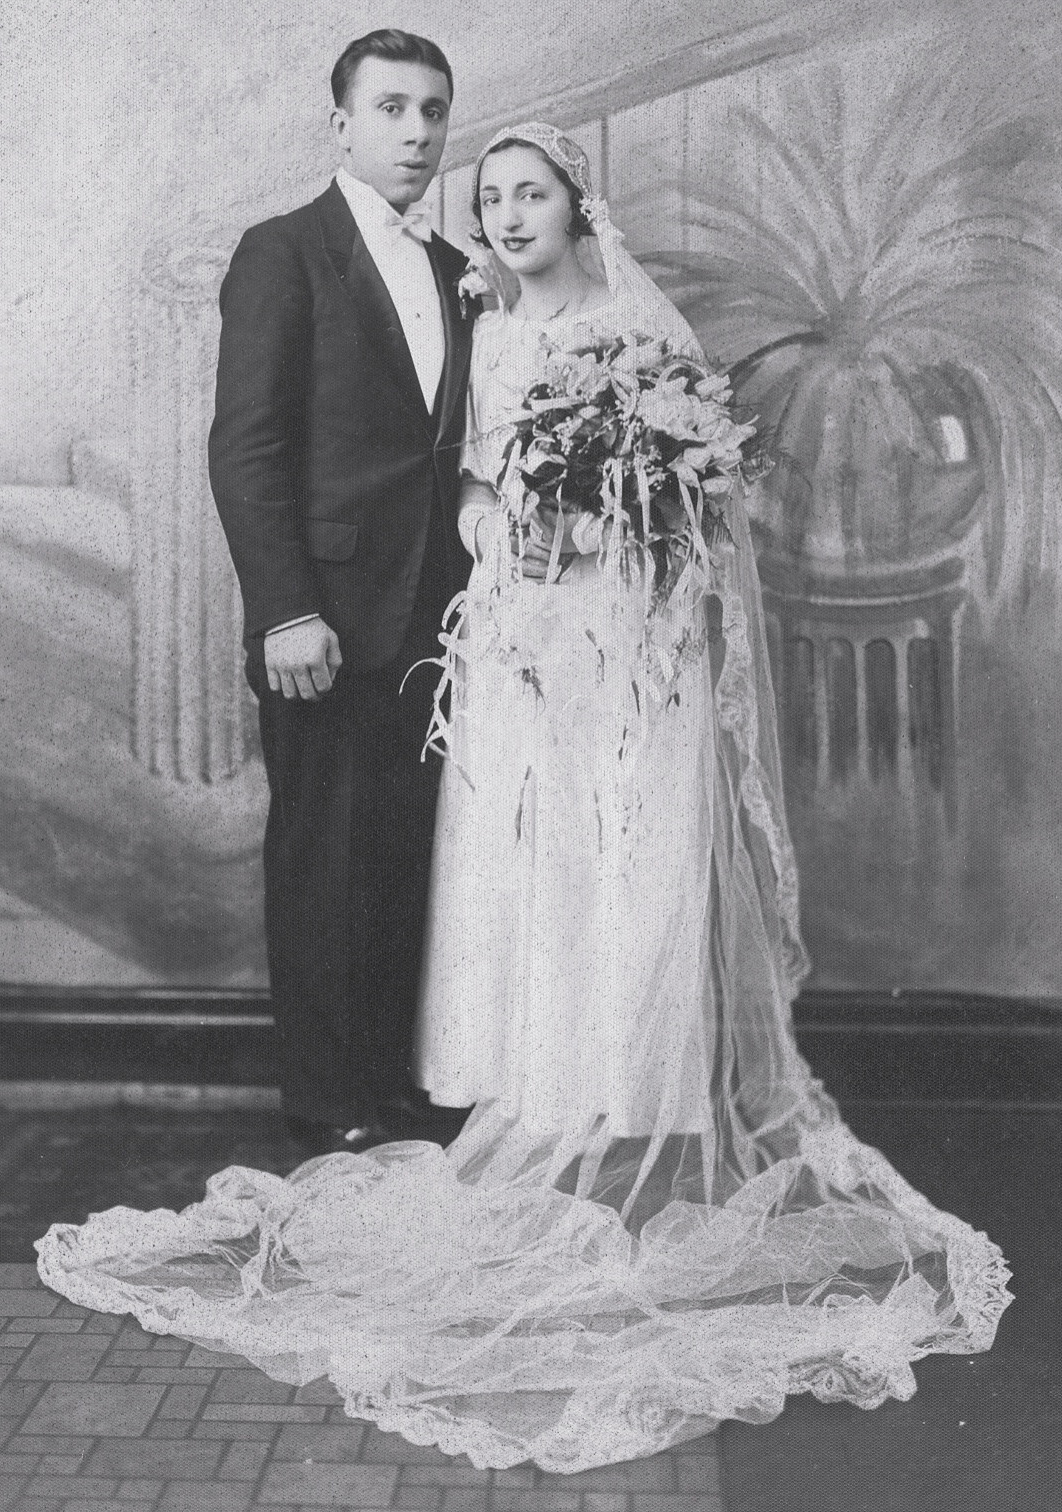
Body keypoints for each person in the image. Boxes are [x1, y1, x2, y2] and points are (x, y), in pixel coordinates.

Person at [37, 125, 1011, 1473]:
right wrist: (507, 528)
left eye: (528, 193)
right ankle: (514, 1080)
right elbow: (468, 484)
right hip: (510, 635)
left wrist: (615, 518)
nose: (504, 214)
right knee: (511, 851)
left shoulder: (635, 328)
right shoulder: (482, 325)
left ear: (573, 205)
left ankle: (625, 1090)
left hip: (621, 635)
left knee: (622, 847)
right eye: (488, 195)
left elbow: (697, 506)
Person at [206, 30, 475, 1156]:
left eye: (433, 112)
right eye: (392, 109)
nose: (416, 133)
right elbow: (246, 447)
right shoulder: (284, 252)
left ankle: (390, 1084)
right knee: (324, 858)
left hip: (438, 618)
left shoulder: (456, 269)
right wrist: (285, 610)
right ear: (342, 125)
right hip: (321, 616)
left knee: (406, 855)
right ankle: (329, 1102)